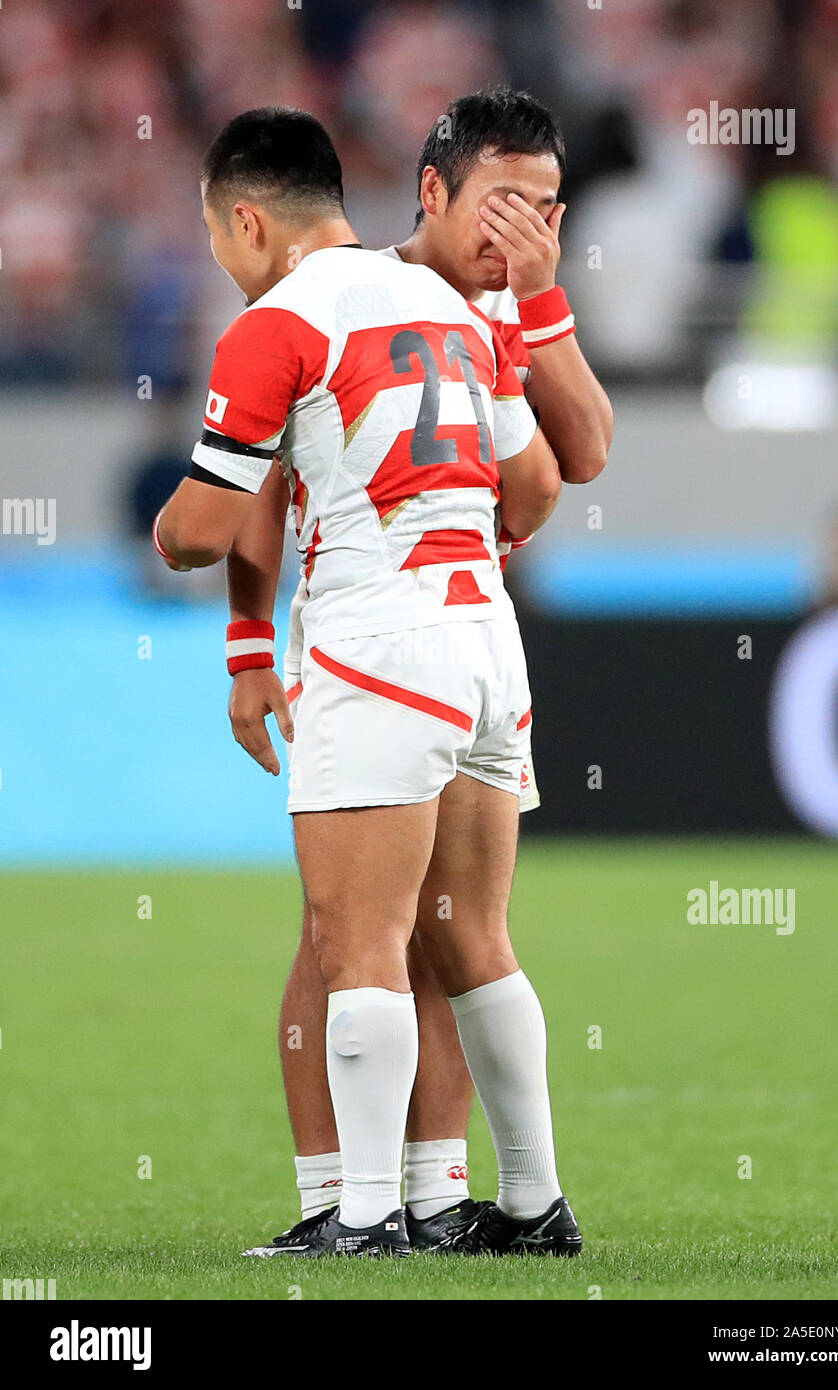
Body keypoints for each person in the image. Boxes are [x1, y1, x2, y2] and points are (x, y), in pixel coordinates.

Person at [155, 105, 582, 1257]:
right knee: (471, 936)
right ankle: (529, 1204)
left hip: (377, 646)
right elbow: (537, 483)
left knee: (356, 941)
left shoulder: (276, 325)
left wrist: (165, 530)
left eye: (213, 236)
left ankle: (358, 1217)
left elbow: (201, 528)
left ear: (245, 221)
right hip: (487, 643)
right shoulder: (449, 304)